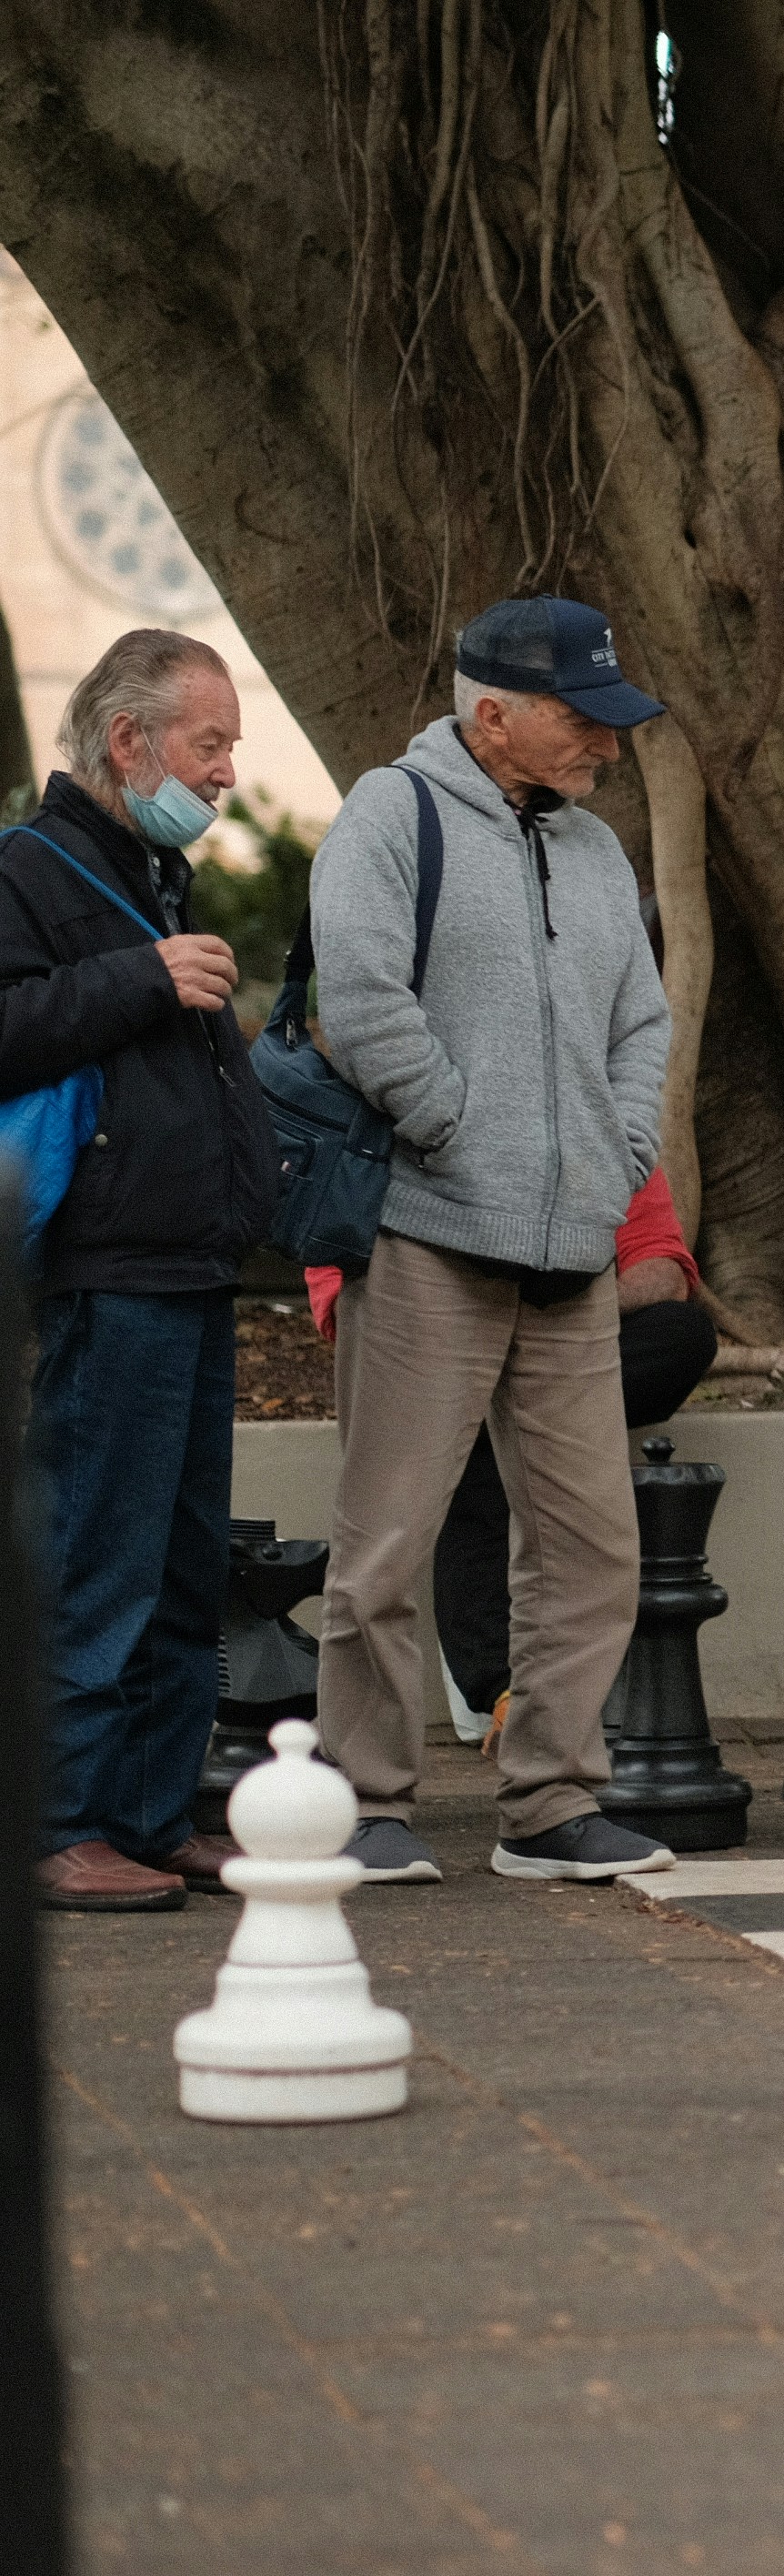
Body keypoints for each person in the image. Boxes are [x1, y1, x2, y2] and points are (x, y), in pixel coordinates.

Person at [308, 597, 678, 1888]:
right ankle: (365, 1799)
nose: (606, 747)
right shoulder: (387, 818)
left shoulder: (591, 850)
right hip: (426, 1238)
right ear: (494, 712)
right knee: (384, 1544)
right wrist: (457, 1128)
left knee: (591, 1548)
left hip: (570, 1253)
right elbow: (354, 994)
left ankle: (553, 1801)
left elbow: (644, 1020)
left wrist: (620, 1150)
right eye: (585, 721)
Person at [3, 630, 278, 1912]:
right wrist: (139, 978)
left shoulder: (153, 872)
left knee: (181, 1561)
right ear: (130, 742)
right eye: (209, 743)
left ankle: (149, 1813)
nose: (227, 772)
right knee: (95, 1552)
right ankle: (59, 1821)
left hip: (183, 1264)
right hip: (109, 1269)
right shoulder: (31, 869)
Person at [305, 1171, 717, 1733]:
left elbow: (663, 1271)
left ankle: (505, 1694)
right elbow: (348, 1298)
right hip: (431, 1346)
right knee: (471, 1425)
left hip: (561, 1342)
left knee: (681, 1333)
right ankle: (501, 1695)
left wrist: (537, 1326)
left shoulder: (594, 1119)